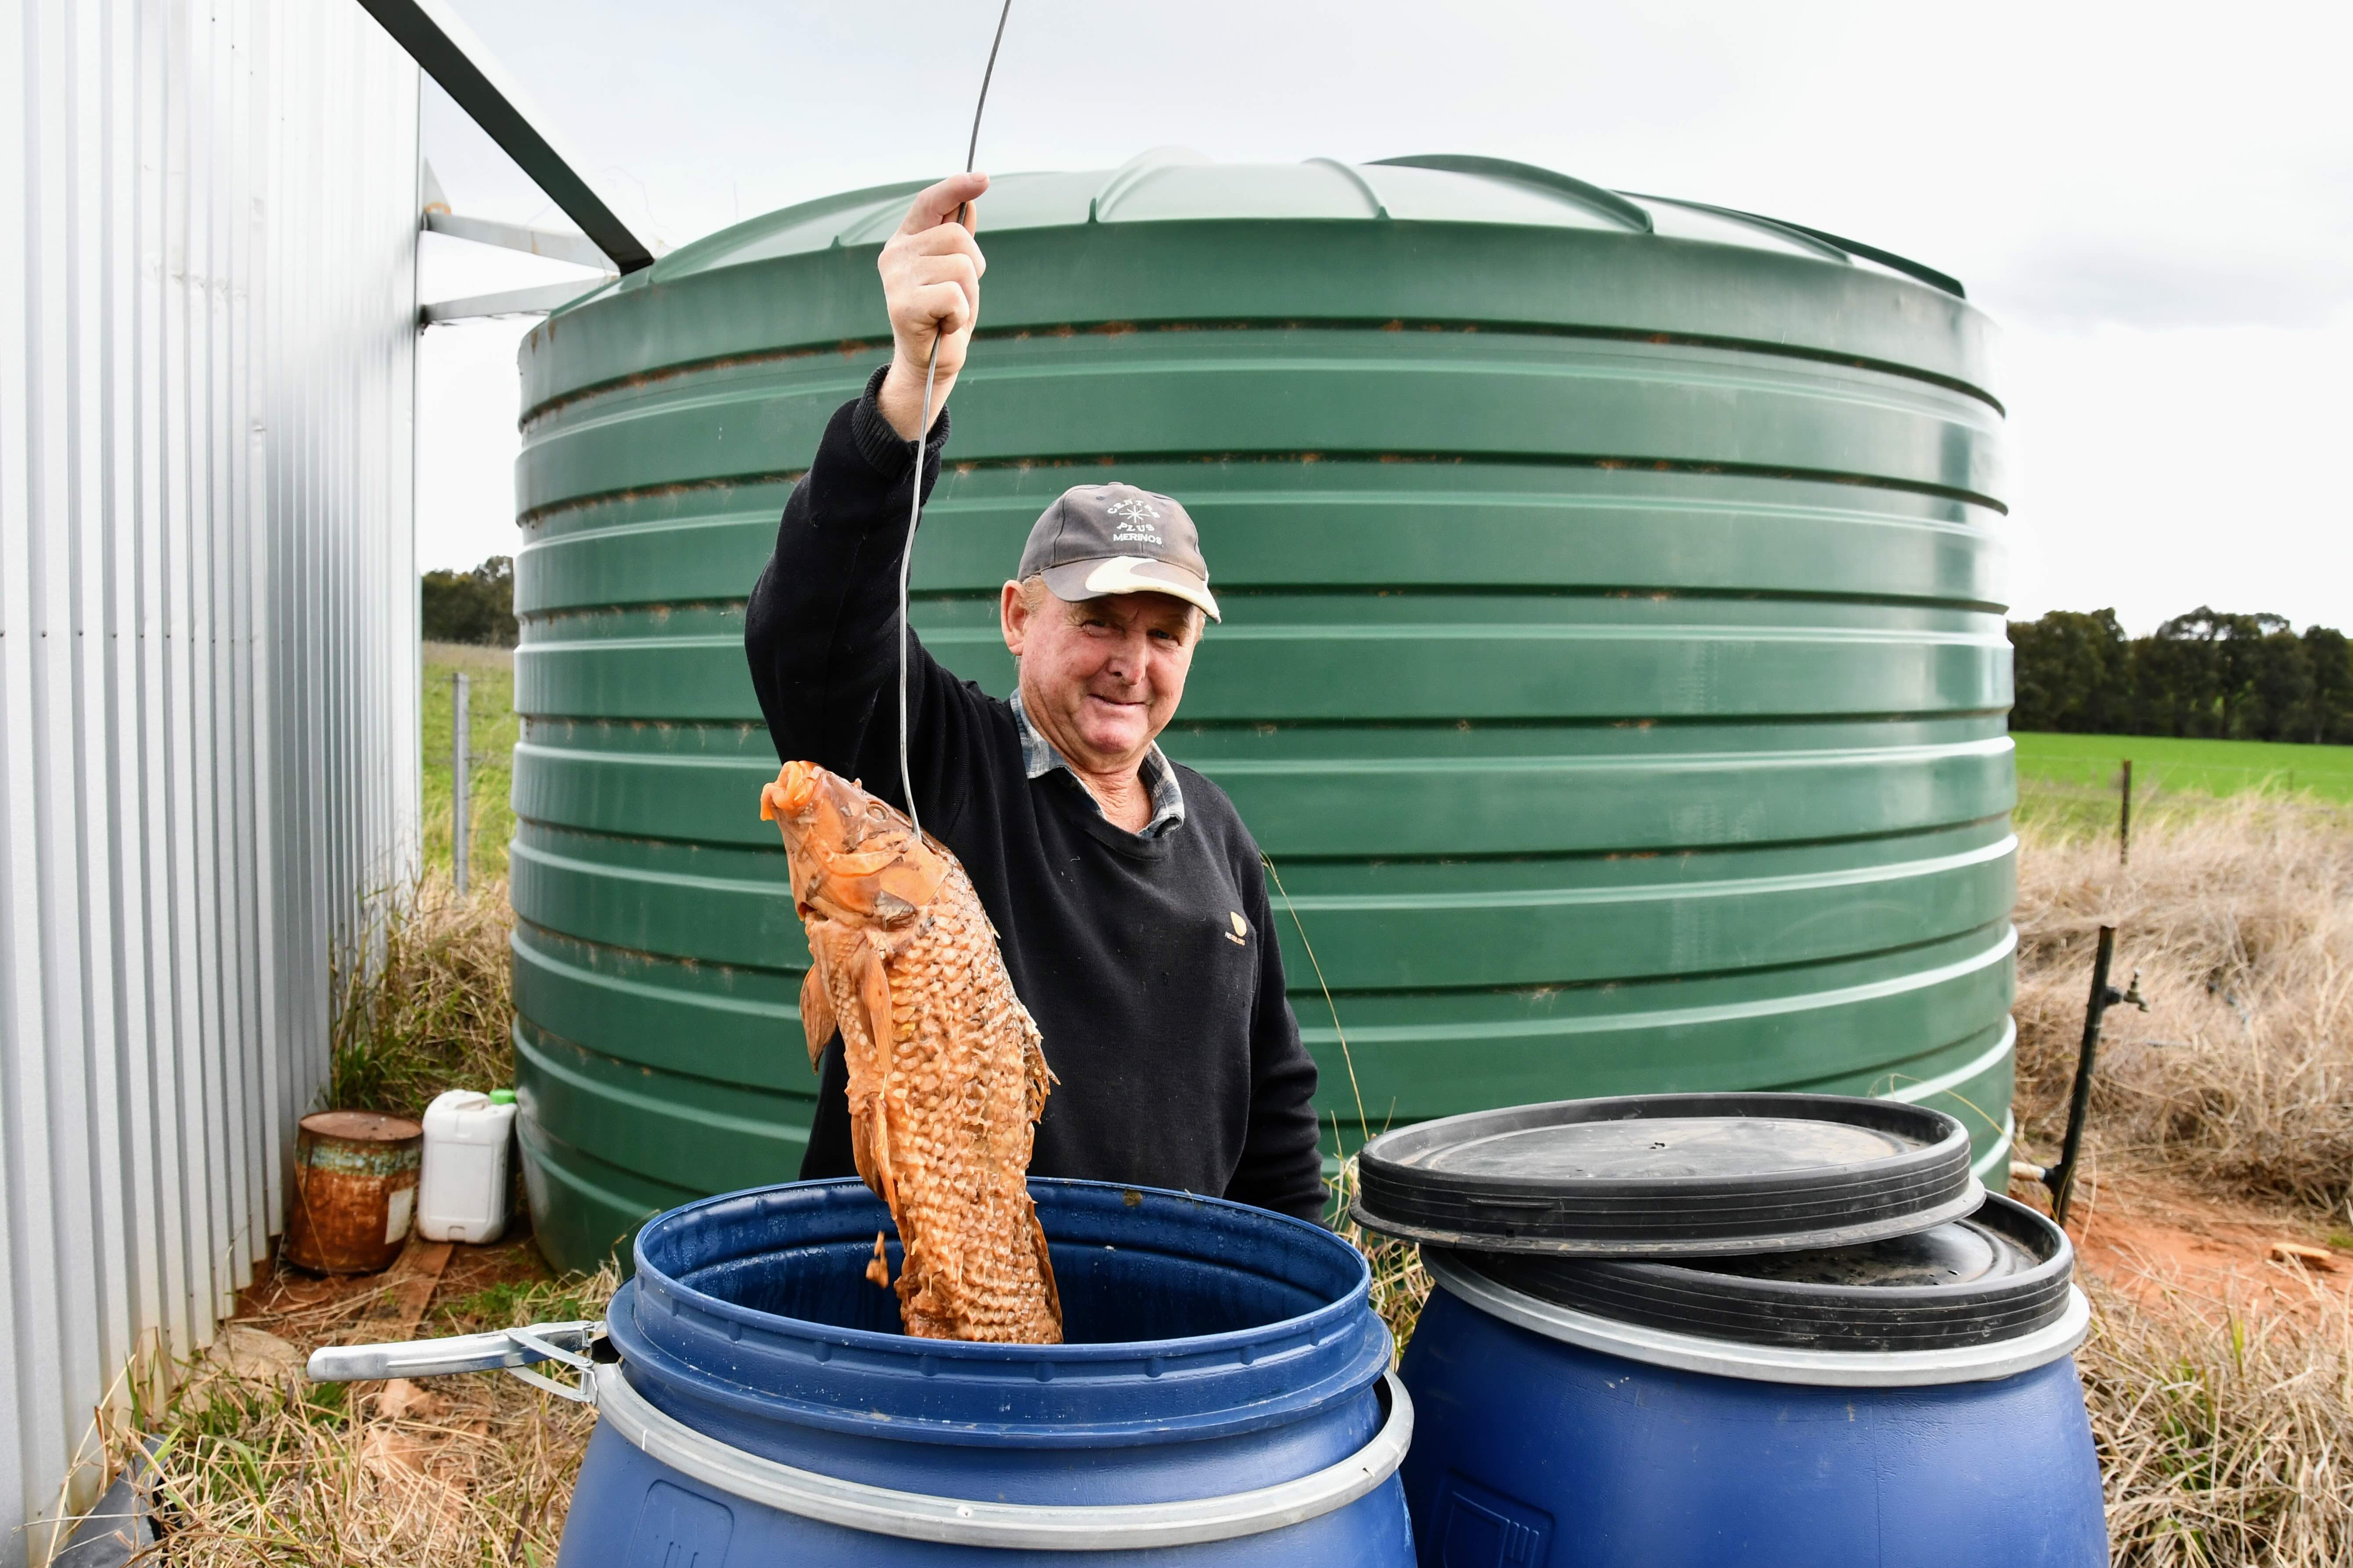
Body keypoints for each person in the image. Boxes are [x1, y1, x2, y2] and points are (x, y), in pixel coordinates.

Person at [743, 173, 1326, 1222]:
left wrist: (1295, 1297)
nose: (1130, 663)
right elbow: (813, 631)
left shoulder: (1215, 831)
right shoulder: (934, 766)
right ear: (1018, 616)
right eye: (1097, 621)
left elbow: (1274, 1099)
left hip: (1158, 1336)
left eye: (1165, 634)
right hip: (934, 1322)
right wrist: (906, 405)